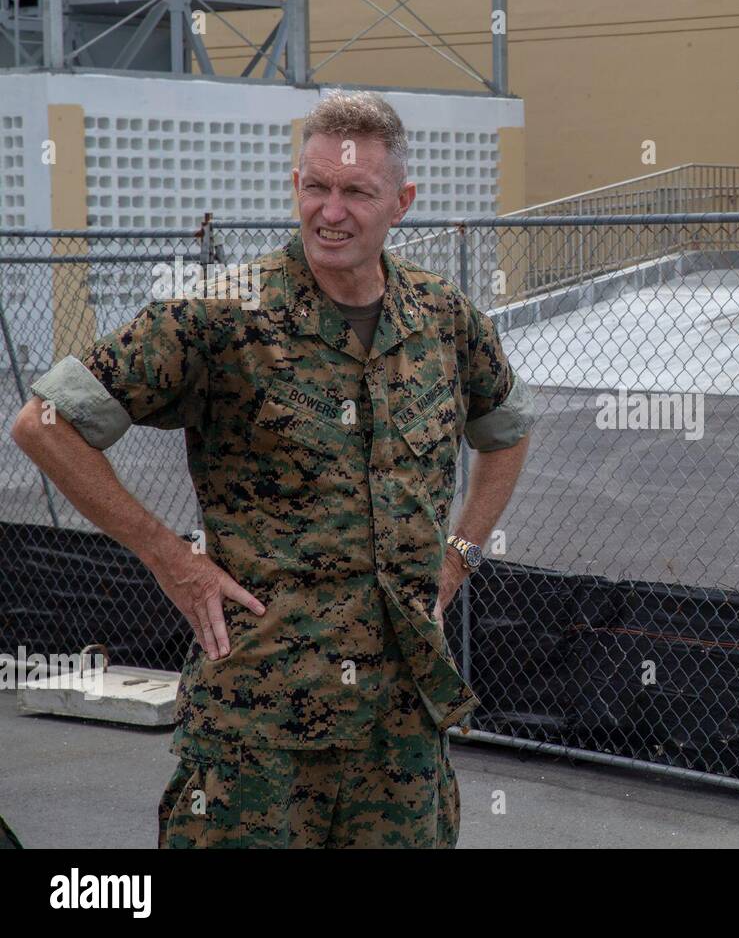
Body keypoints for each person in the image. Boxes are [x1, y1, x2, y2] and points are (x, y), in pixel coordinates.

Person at [10, 90, 536, 848]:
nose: (331, 211)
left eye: (356, 191)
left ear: (402, 202)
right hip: (260, 731)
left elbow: (508, 429)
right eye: (316, 186)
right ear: (296, 187)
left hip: (401, 728)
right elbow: (44, 423)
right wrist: (171, 558)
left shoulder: (443, 320)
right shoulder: (222, 317)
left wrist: (463, 552)